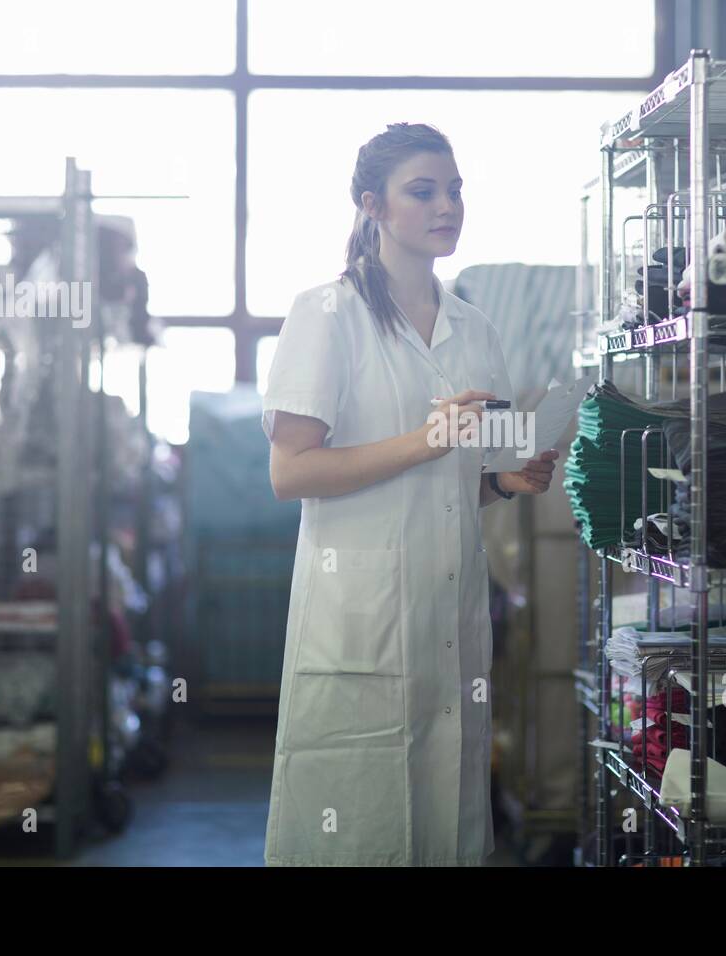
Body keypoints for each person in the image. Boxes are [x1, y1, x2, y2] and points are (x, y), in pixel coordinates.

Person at [260, 123, 558, 866]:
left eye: (454, 190)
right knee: (357, 826)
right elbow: (290, 471)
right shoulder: (327, 315)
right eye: (422, 191)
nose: (446, 205)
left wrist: (500, 481)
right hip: (360, 621)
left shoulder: (475, 328)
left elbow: (450, 486)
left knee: (445, 820)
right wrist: (426, 441)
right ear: (373, 206)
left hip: (448, 617)